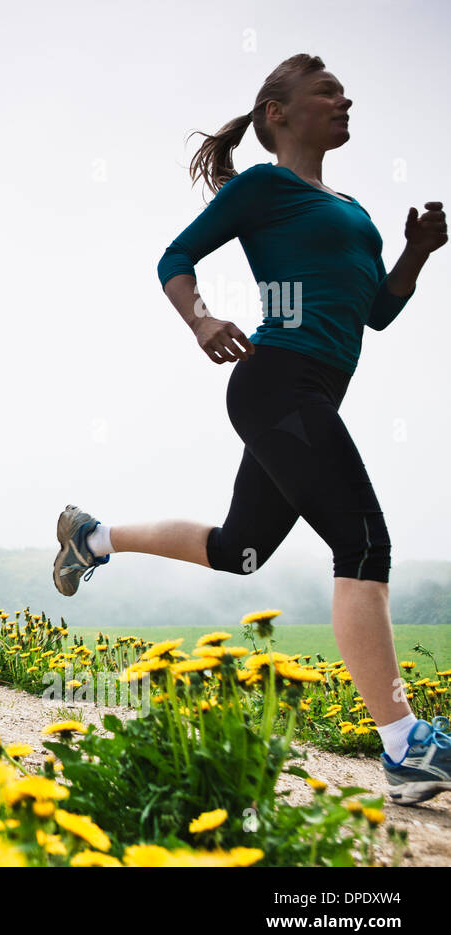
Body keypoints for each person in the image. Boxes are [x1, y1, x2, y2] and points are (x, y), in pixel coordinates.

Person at [51, 53, 447, 805]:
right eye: (327, 91)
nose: (345, 99)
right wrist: (200, 319)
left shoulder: (356, 213)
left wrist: (416, 256)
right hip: (277, 383)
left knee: (241, 552)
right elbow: (175, 257)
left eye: (344, 90)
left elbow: (377, 312)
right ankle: (405, 749)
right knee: (363, 545)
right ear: (277, 112)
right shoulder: (265, 188)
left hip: (309, 394)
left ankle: (91, 538)